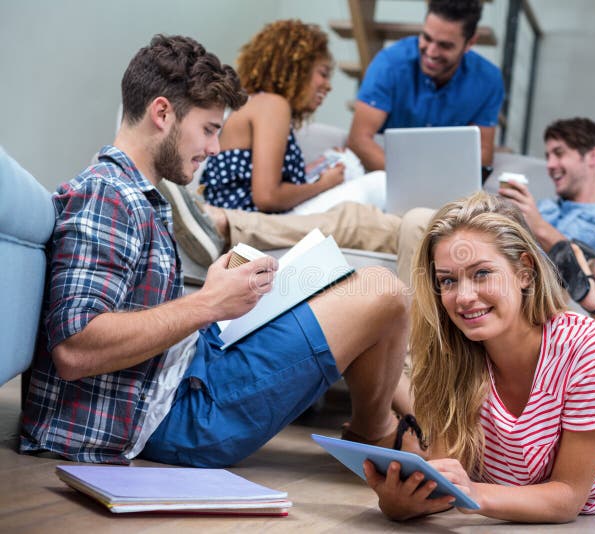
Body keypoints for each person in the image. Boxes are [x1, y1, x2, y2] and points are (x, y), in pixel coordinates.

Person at [19, 34, 423, 467]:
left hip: (191, 366)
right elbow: (75, 350)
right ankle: (388, 435)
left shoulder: (139, 198)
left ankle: (417, 430)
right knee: (380, 291)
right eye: (209, 129)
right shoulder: (107, 195)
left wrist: (218, 296)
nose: (213, 148)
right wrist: (209, 303)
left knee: (361, 296)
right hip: (174, 414)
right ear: (162, 113)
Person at [363, 192, 595, 522]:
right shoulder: (451, 354)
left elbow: (567, 499)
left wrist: (474, 493)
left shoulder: (594, 351)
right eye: (447, 280)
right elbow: (447, 474)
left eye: (482, 273)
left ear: (525, 272)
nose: (463, 297)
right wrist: (401, 503)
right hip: (571, 388)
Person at [200, 19, 384, 215]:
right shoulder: (273, 105)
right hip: (249, 222)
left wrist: (315, 169)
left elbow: (258, 182)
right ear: (297, 68)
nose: (328, 85)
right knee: (378, 182)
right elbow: (267, 198)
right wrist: (324, 184)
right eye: (323, 73)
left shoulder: (257, 103)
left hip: (242, 215)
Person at [346, 0, 504, 173]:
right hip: (386, 172)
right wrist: (412, 179)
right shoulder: (389, 64)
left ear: (470, 43)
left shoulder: (488, 80)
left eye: (445, 45)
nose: (431, 52)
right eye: (426, 38)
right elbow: (358, 140)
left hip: (445, 174)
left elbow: (483, 152)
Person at [498, 117, 595, 288]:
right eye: (548, 156)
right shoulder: (543, 207)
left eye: (559, 153)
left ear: (593, 156)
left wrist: (539, 228)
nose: (550, 164)